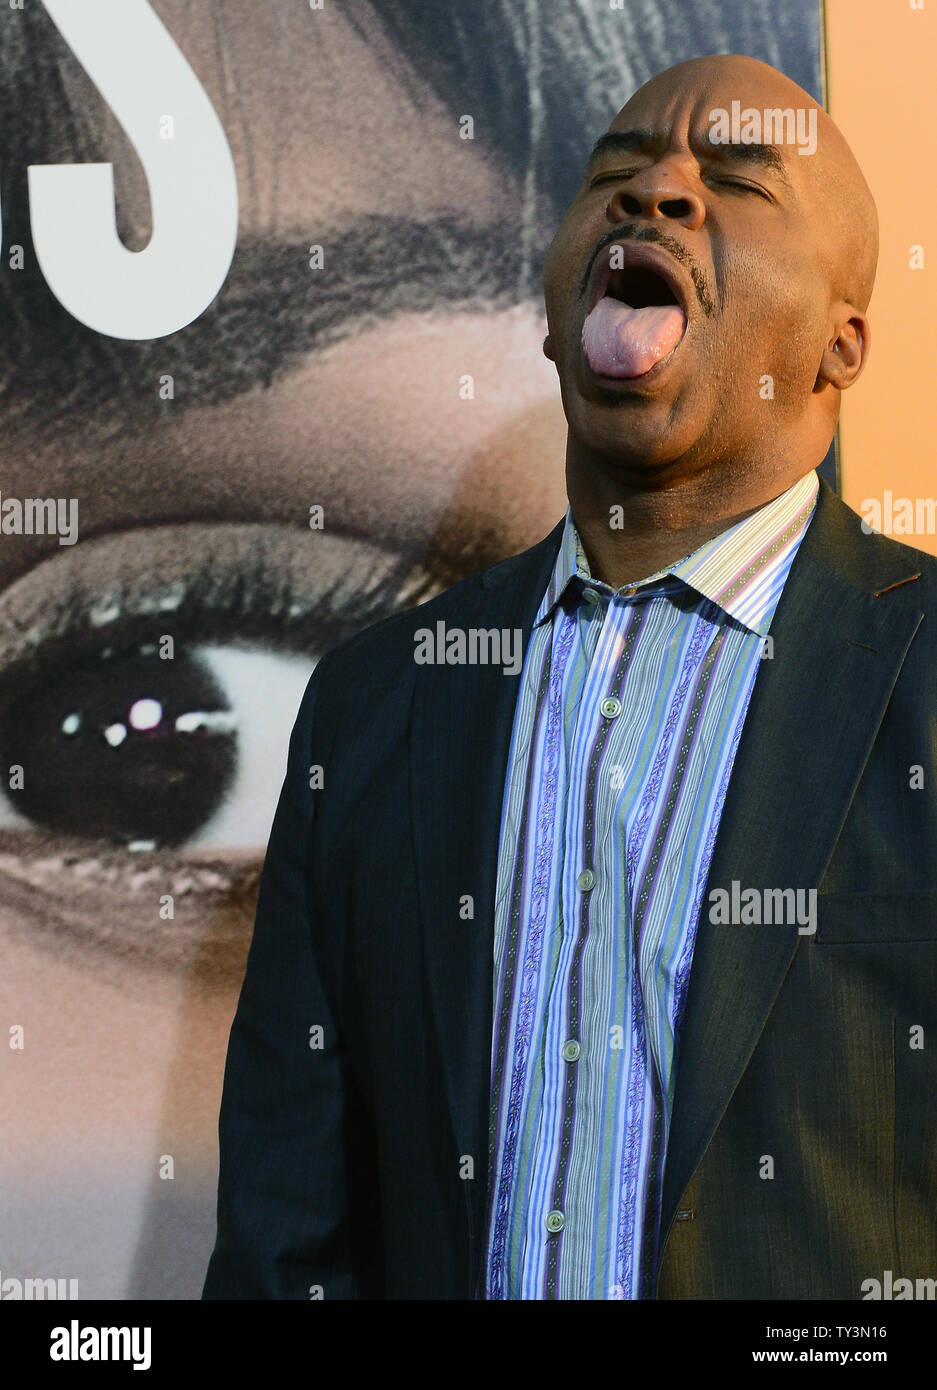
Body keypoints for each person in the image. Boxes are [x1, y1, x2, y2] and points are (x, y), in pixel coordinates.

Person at [204, 50, 937, 1301]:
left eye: (737, 179)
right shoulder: (375, 701)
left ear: (840, 342)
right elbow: (288, 1236)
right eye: (616, 175)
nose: (655, 193)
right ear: (550, 317)